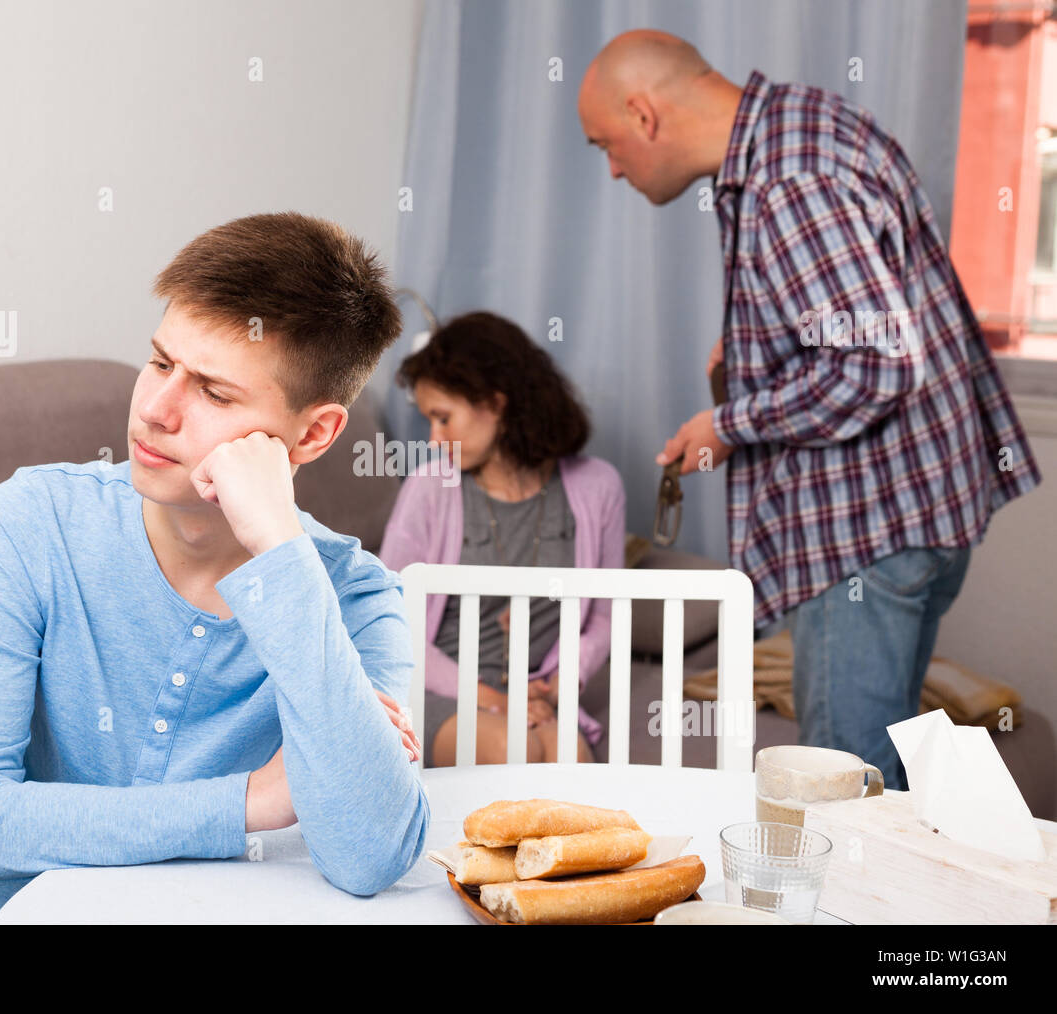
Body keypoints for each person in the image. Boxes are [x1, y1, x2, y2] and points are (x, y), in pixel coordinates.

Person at [0, 212, 429, 923]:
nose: (154, 410)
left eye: (214, 394)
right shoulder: (32, 520)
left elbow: (371, 853)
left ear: (312, 435)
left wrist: (280, 547)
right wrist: (250, 800)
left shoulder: (357, 596)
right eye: (159, 362)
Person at [577, 31, 1041, 789]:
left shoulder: (785, 179)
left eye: (608, 144)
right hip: (922, 508)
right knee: (883, 779)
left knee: (840, 791)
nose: (614, 168)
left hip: (867, 531)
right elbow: (877, 315)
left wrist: (727, 423)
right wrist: (755, 353)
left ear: (644, 113)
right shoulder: (810, 126)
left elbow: (875, 364)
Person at [379, 311, 625, 767]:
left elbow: (605, 618)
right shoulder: (431, 485)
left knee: (569, 757)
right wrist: (494, 699)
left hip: (537, 696)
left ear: (495, 404)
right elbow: (389, 621)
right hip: (442, 690)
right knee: (515, 749)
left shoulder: (598, 486)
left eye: (442, 418)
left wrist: (558, 685)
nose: (433, 439)